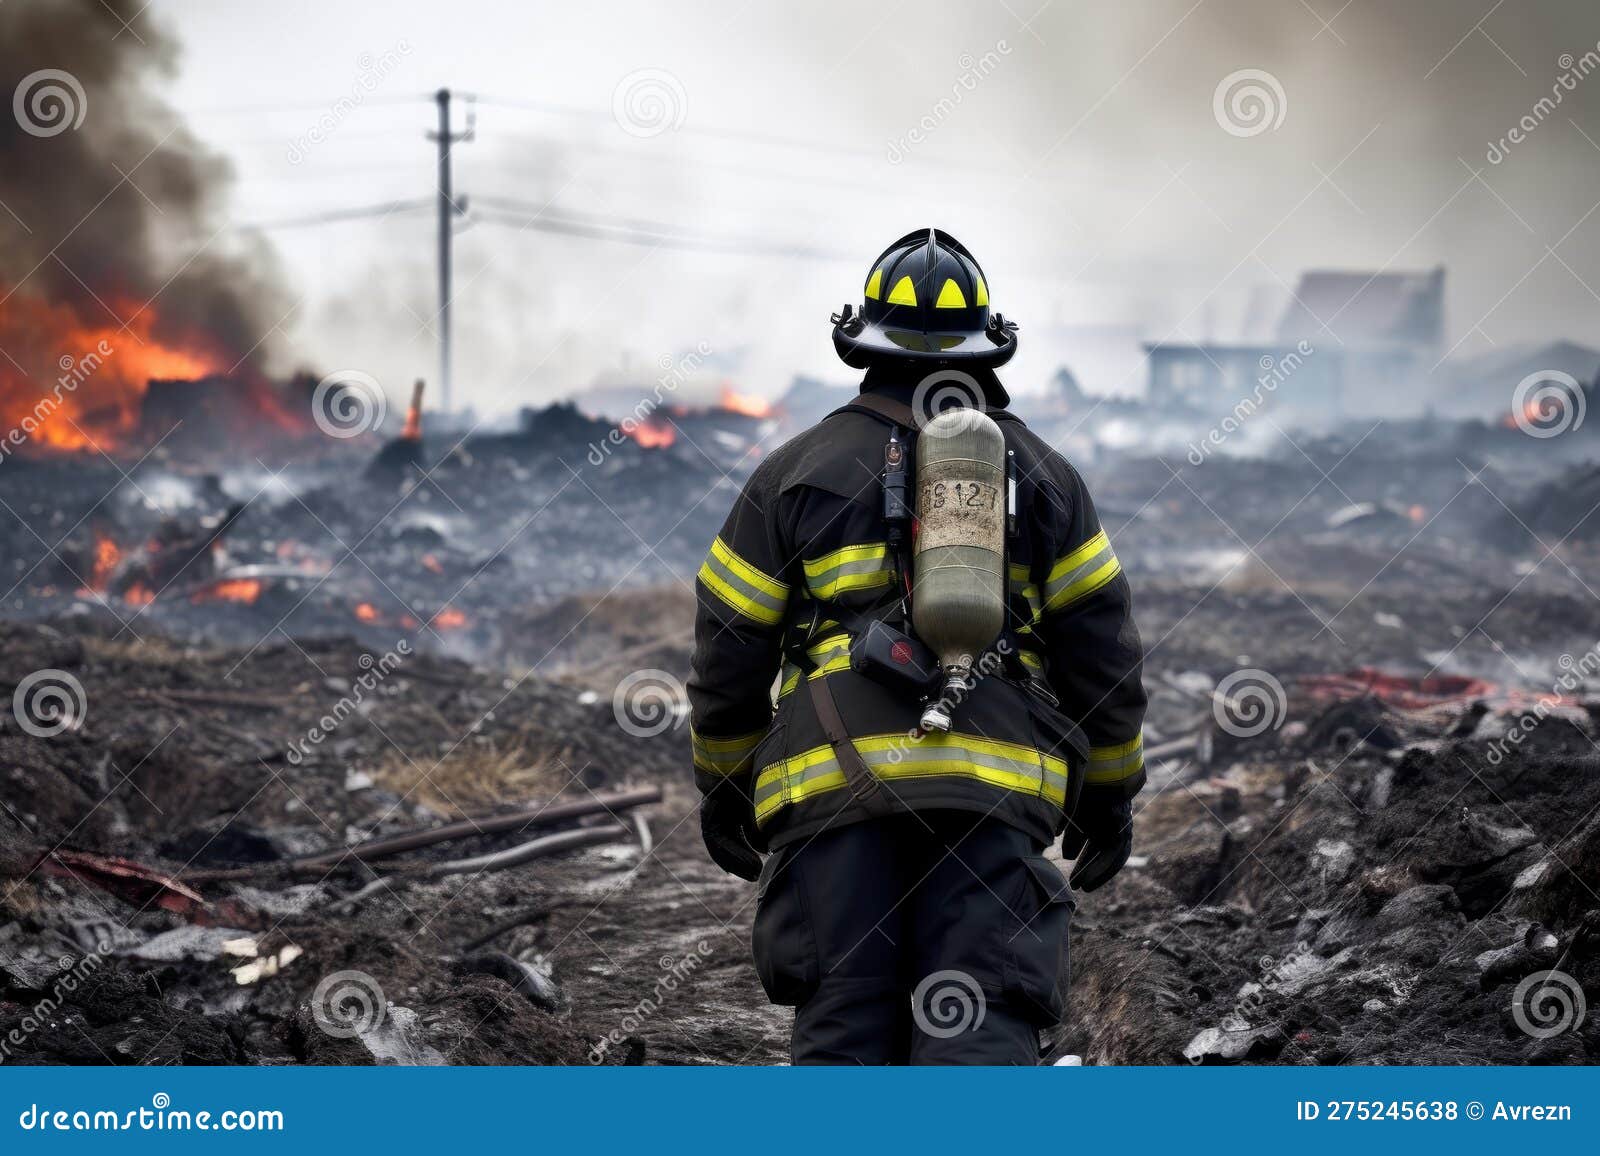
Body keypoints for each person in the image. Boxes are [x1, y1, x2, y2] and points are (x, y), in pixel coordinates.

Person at [687, 228, 1146, 1064]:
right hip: (994, 787)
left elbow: (729, 644)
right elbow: (1103, 649)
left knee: (846, 1026)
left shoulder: (791, 473)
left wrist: (724, 784)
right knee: (975, 1030)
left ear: (860, 343)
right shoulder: (1044, 478)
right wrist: (1110, 795)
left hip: (832, 788)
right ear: (988, 346)